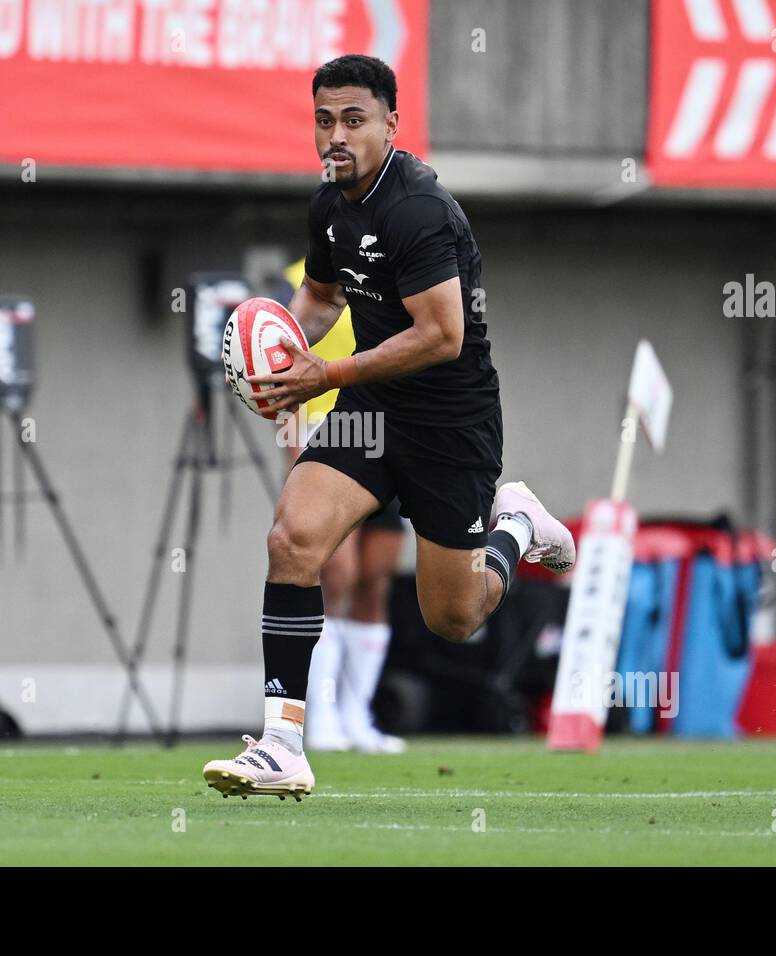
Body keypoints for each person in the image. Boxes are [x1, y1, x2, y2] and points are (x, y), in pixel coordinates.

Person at [203, 55, 575, 798]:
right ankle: (283, 744)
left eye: (353, 120)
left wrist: (324, 374)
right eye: (323, 120)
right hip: (372, 411)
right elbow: (317, 294)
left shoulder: (420, 208)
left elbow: (441, 335)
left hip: (449, 422)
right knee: (292, 538)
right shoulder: (329, 203)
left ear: (391, 125)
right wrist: (275, 355)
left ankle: (517, 523)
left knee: (454, 616)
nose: (335, 136)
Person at [278, 258, 406, 754]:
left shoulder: (392, 276)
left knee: (375, 580)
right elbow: (281, 370)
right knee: (337, 575)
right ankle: (322, 715)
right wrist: (296, 457)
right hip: (330, 437)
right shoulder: (297, 282)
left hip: (387, 437)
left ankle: (359, 715)